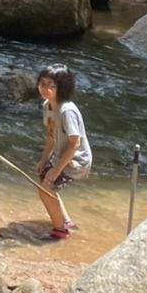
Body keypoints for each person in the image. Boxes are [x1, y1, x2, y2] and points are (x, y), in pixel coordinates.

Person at [34, 63, 92, 240]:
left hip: (76, 160)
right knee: (45, 178)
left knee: (45, 189)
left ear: (63, 88)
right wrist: (44, 161)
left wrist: (56, 170)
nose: (45, 89)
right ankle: (65, 221)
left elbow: (75, 144)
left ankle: (61, 230)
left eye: (51, 85)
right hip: (61, 155)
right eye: (42, 83)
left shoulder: (67, 111)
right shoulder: (47, 106)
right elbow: (51, 136)